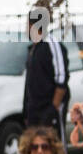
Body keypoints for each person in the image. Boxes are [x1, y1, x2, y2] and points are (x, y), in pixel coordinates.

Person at [22, 8, 69, 136]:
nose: (25, 28)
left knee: (54, 144)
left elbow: (62, 79)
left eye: (27, 24)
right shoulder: (33, 48)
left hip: (49, 108)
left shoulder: (52, 44)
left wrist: (53, 109)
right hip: (34, 109)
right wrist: (26, 110)